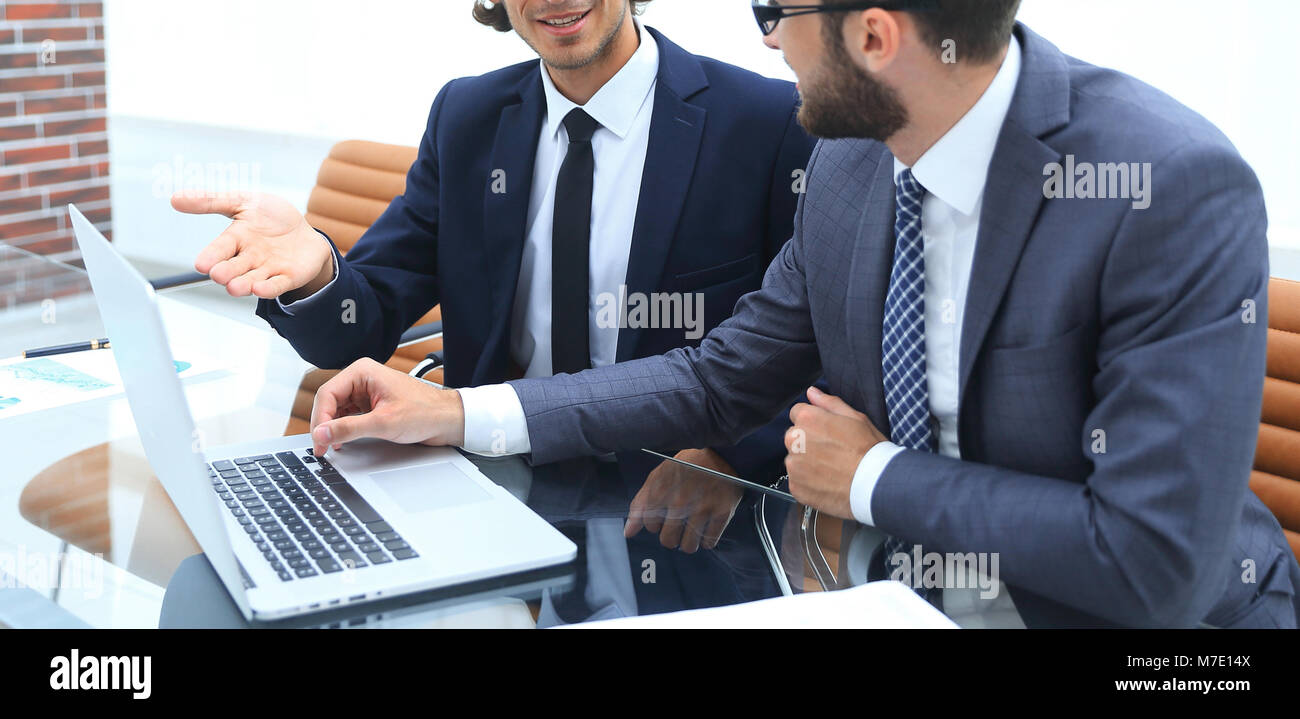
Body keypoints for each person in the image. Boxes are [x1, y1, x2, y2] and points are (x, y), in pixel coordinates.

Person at [295, 0, 1300, 627]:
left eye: (775, 10)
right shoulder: (854, 158)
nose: (767, 41)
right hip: (894, 593)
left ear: (873, 35)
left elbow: (1150, 565)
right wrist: (461, 413)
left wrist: (871, 474)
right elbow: (717, 373)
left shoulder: (1163, 187)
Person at [173, 0, 815, 555]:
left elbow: (815, 338)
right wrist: (316, 270)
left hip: (663, 504)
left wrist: (733, 457)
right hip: (491, 477)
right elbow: (357, 328)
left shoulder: (765, 121)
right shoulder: (468, 115)